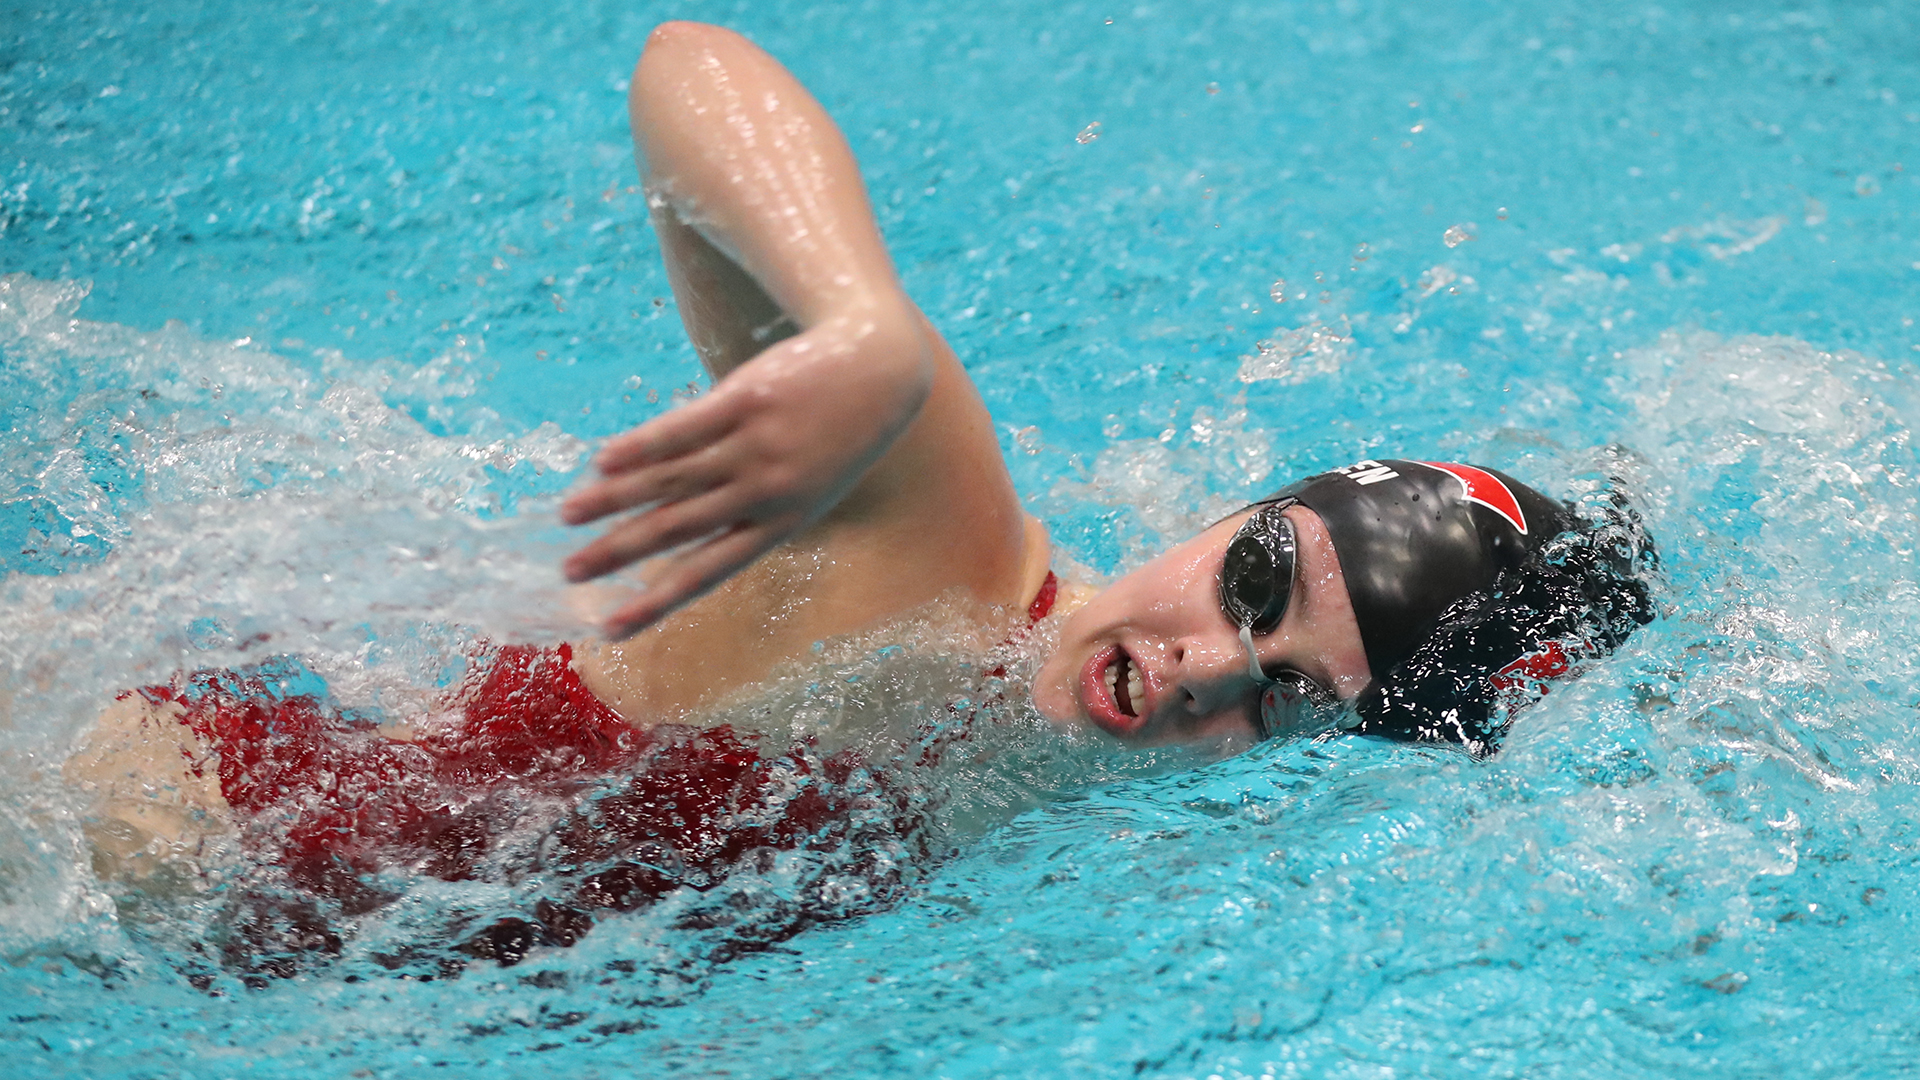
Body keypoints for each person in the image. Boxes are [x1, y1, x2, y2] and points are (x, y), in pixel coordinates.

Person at [63, 22, 1654, 968]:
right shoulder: (945, 562)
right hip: (134, 842)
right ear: (1229, 507)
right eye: (1255, 586)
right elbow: (689, 68)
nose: (1210, 672)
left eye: (1290, 698)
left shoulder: (1069, 816)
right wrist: (865, 332)